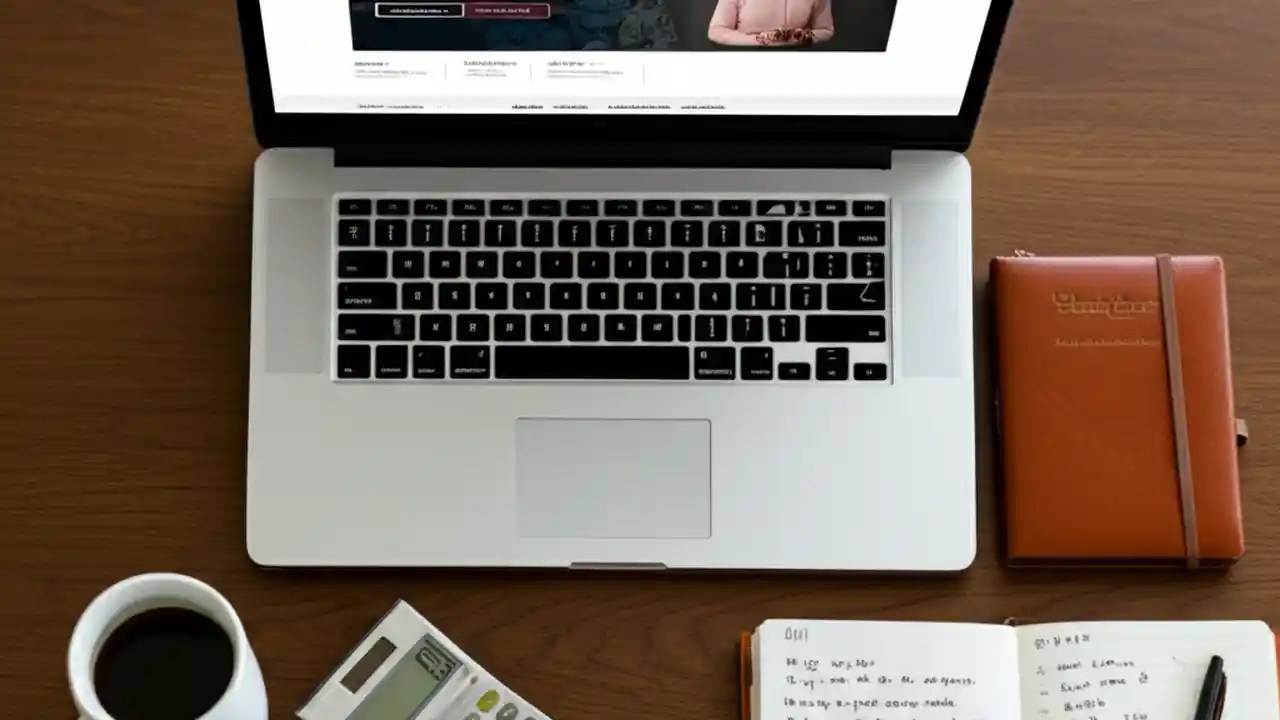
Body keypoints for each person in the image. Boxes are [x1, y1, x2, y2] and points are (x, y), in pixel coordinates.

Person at [707, 0, 834, 47]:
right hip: (747, 61)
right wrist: (757, 40)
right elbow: (717, 30)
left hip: (798, 63)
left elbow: (825, 30)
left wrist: (802, 37)